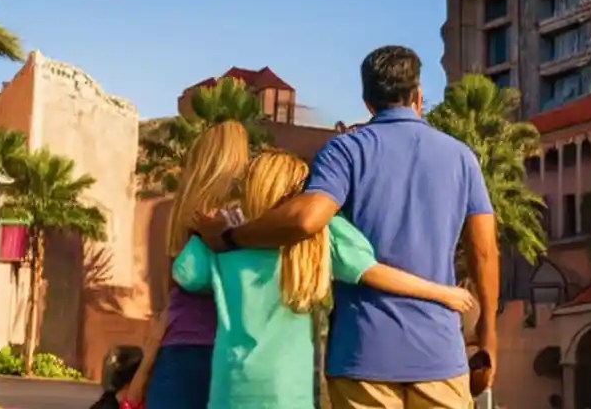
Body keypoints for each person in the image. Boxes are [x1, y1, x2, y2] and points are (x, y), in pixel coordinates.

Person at [195, 45, 500, 409]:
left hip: (362, 354)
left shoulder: (346, 150)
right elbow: (484, 252)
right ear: (418, 96)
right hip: (438, 355)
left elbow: (307, 219)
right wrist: (488, 336)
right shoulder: (461, 157)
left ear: (367, 102)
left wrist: (232, 237)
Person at [174, 150, 477, 408]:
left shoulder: (228, 241)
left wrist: (208, 232)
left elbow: (186, 275)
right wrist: (441, 293)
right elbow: (372, 271)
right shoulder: (321, 233)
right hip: (289, 390)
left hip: (230, 387)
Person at [123, 120, 250, 409]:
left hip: (177, 348)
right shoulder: (243, 216)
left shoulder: (181, 213)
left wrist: (144, 371)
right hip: (228, 350)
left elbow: (171, 294)